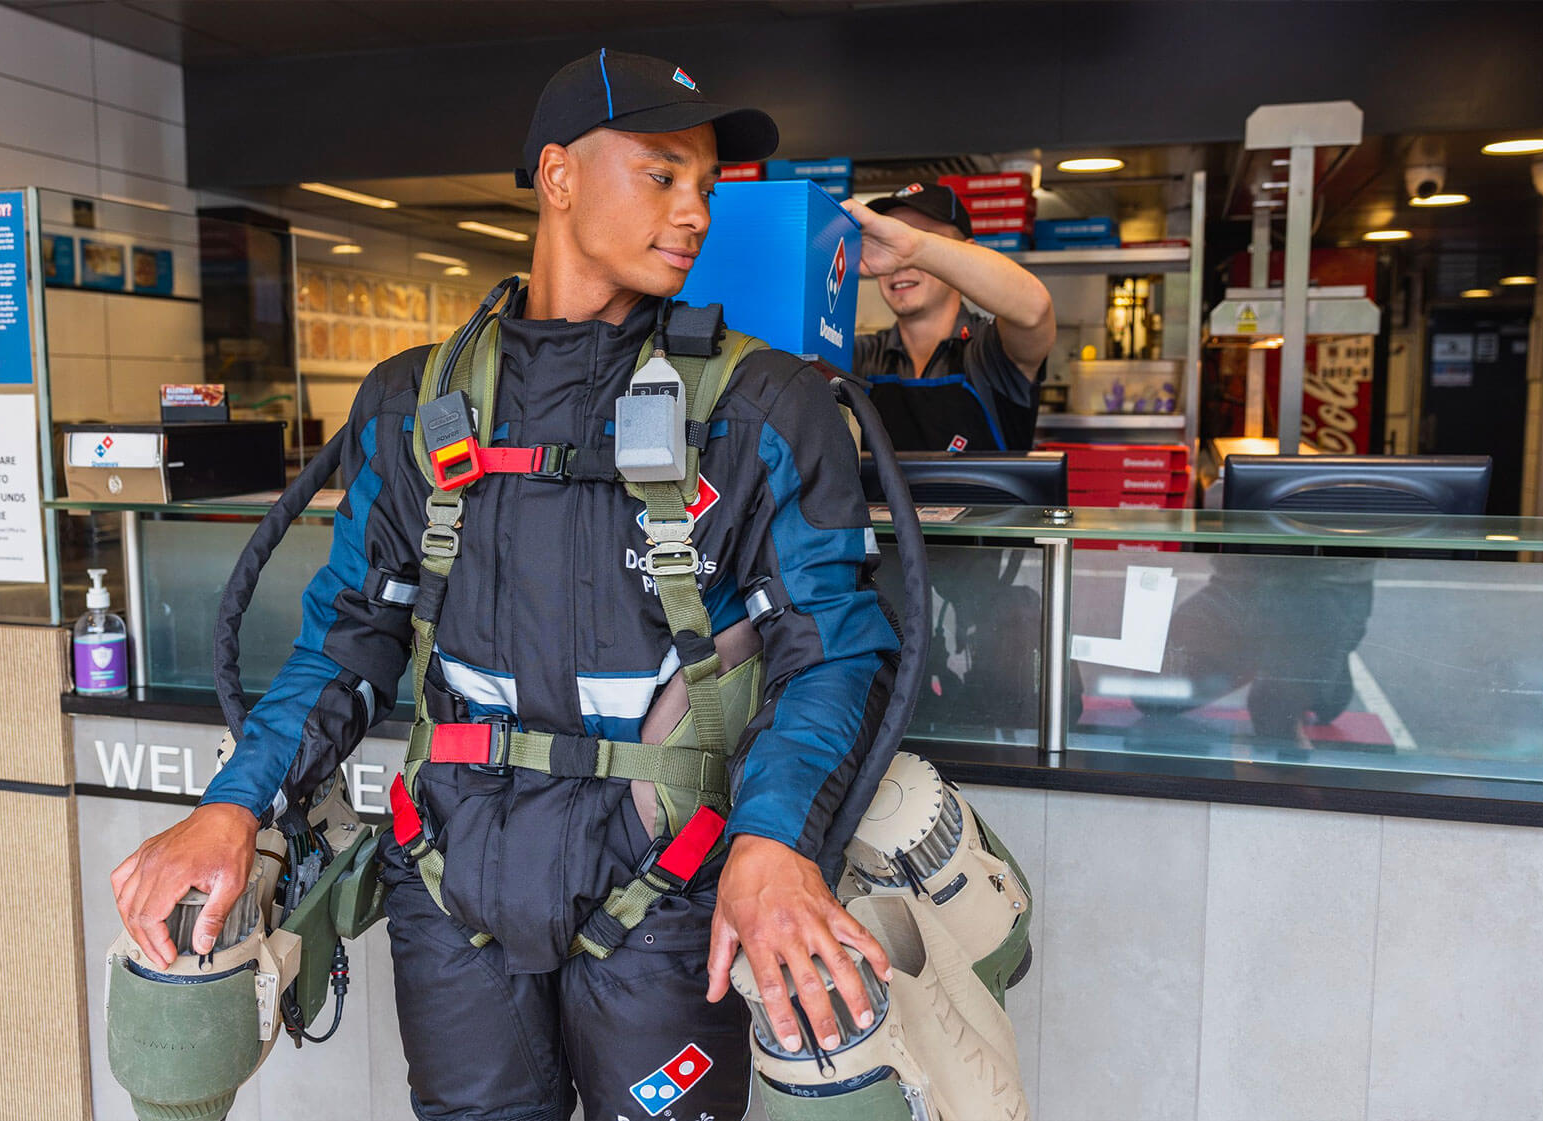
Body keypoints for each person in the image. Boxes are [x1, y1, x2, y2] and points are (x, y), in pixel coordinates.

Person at [109, 49, 901, 1121]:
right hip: (449, 887)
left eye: (707, 187)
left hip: (672, 891)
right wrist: (232, 802)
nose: (695, 212)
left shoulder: (764, 405)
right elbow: (346, 640)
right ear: (558, 176)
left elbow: (834, 650)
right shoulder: (412, 406)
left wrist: (772, 842)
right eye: (663, 175)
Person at [848, 182, 1056, 453]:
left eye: (922, 236)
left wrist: (914, 248)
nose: (898, 261)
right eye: (884, 242)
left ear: (967, 251)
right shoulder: (862, 356)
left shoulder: (989, 352)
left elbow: (1035, 310)